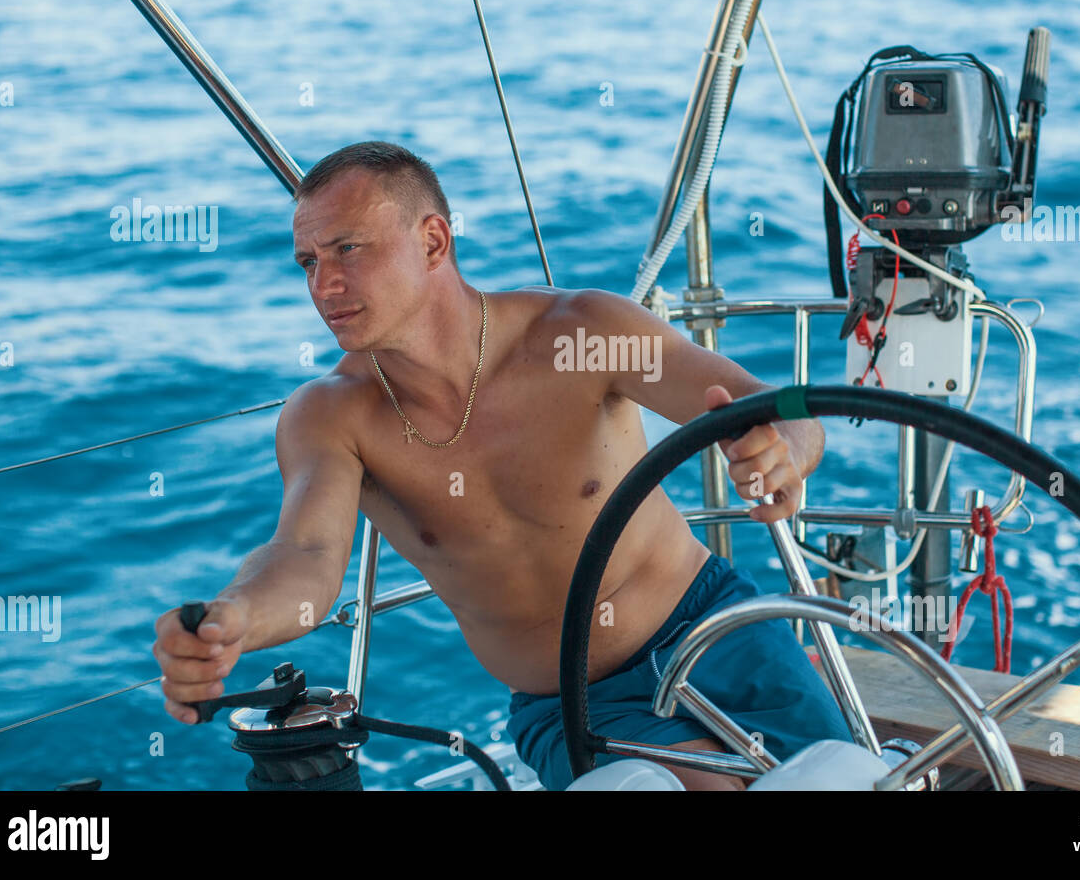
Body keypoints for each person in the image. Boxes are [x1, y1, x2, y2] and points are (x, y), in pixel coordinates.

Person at [151, 141, 853, 790]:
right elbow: (304, 557)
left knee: (847, 778)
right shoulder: (333, 415)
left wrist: (782, 451)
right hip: (572, 702)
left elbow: (777, 406)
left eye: (348, 249)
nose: (324, 284)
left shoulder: (582, 336)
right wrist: (235, 617)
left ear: (432, 241)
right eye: (308, 262)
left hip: (718, 628)